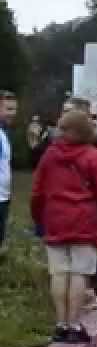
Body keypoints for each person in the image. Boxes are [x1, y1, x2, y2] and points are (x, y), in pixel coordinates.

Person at [30, 110, 97, 344]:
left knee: (59, 273)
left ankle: (60, 324)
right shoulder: (94, 157)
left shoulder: (50, 156)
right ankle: (74, 324)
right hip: (85, 220)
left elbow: (38, 190)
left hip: (54, 219)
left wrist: (39, 217)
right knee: (80, 273)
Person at [0, 91, 16, 250]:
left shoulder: (4, 133)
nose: (13, 113)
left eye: (14, 109)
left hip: (4, 197)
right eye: (8, 109)